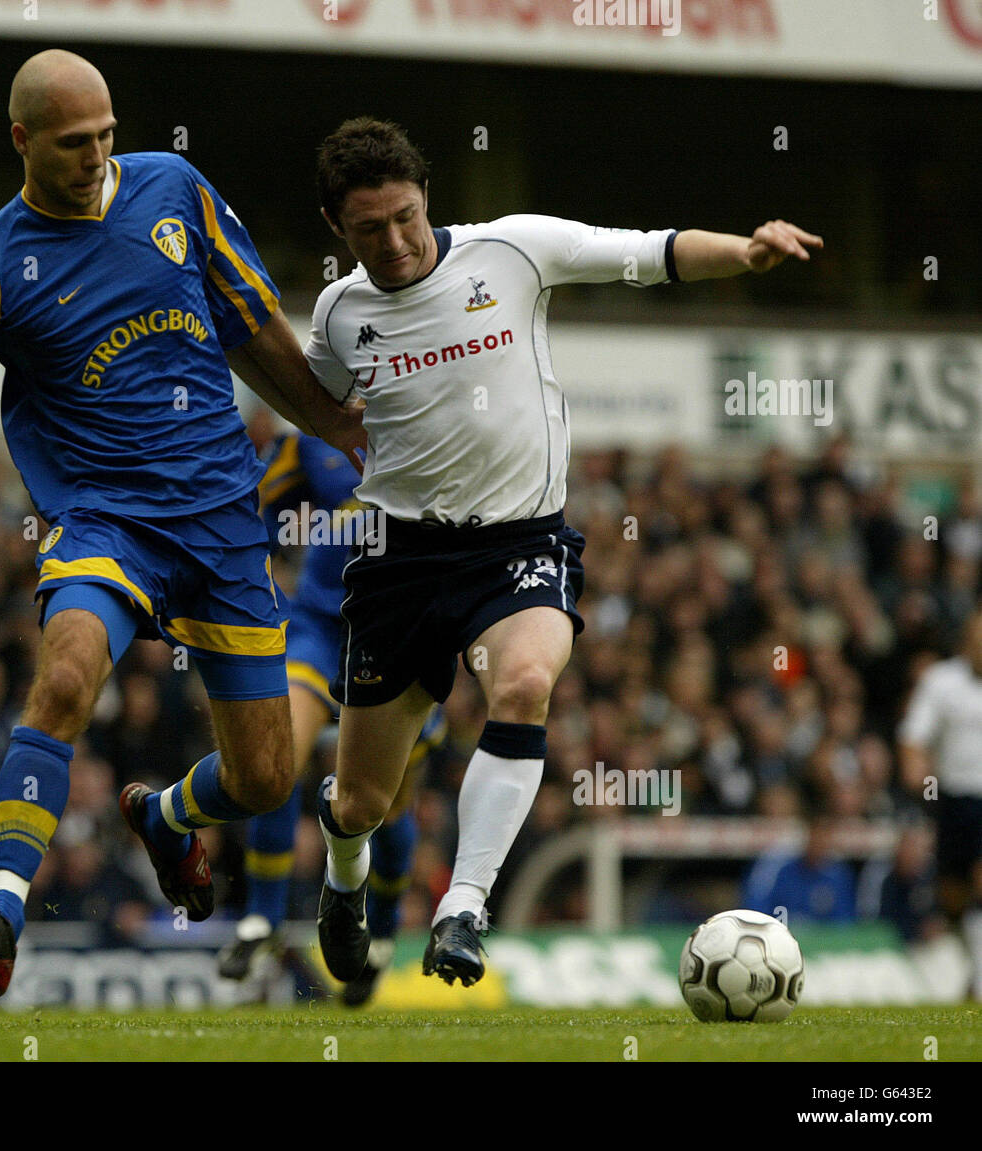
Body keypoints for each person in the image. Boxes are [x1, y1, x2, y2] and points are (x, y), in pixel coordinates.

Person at [0, 50, 363, 1000]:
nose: (97, 156)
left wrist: (337, 421)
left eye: (105, 135)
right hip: (105, 520)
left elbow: (254, 324)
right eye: (72, 142)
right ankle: (0, 914)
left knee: (264, 780)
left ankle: (168, 816)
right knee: (63, 672)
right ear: (21, 141)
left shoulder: (174, 189)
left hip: (221, 518)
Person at [305, 117, 823, 986]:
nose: (394, 242)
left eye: (406, 217)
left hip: (520, 539)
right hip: (399, 561)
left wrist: (746, 250)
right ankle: (343, 875)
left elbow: (650, 252)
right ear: (338, 230)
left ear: (427, 198)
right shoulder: (339, 314)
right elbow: (315, 407)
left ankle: (463, 907)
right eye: (369, 229)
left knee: (524, 682)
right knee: (360, 801)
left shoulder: (513, 251)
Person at [215, 431, 446, 1005]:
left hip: (401, 636)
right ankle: (262, 921)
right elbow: (249, 508)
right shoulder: (314, 438)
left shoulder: (440, 428)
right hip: (320, 630)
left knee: (386, 806)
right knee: (278, 759)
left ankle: (383, 936)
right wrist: (252, 583)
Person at [899, 609, 982, 998]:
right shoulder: (941, 680)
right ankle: (970, 973)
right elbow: (915, 733)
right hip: (953, 802)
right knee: (953, 900)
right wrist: (914, 765)